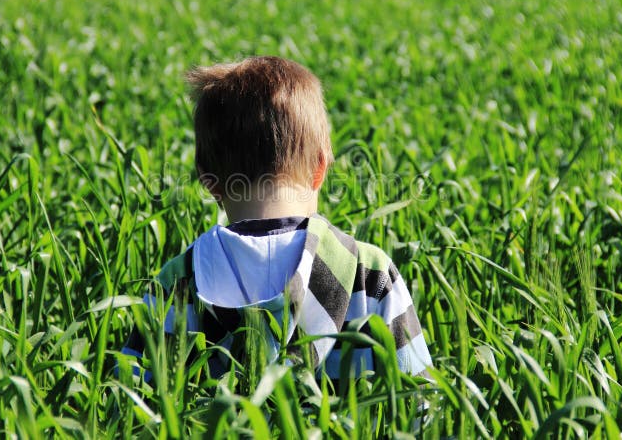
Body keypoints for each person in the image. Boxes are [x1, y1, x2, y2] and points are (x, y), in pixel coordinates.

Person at [119, 56, 431, 382]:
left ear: (208, 181)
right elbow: (420, 406)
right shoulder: (369, 276)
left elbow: (130, 407)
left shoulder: (179, 282)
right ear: (319, 168)